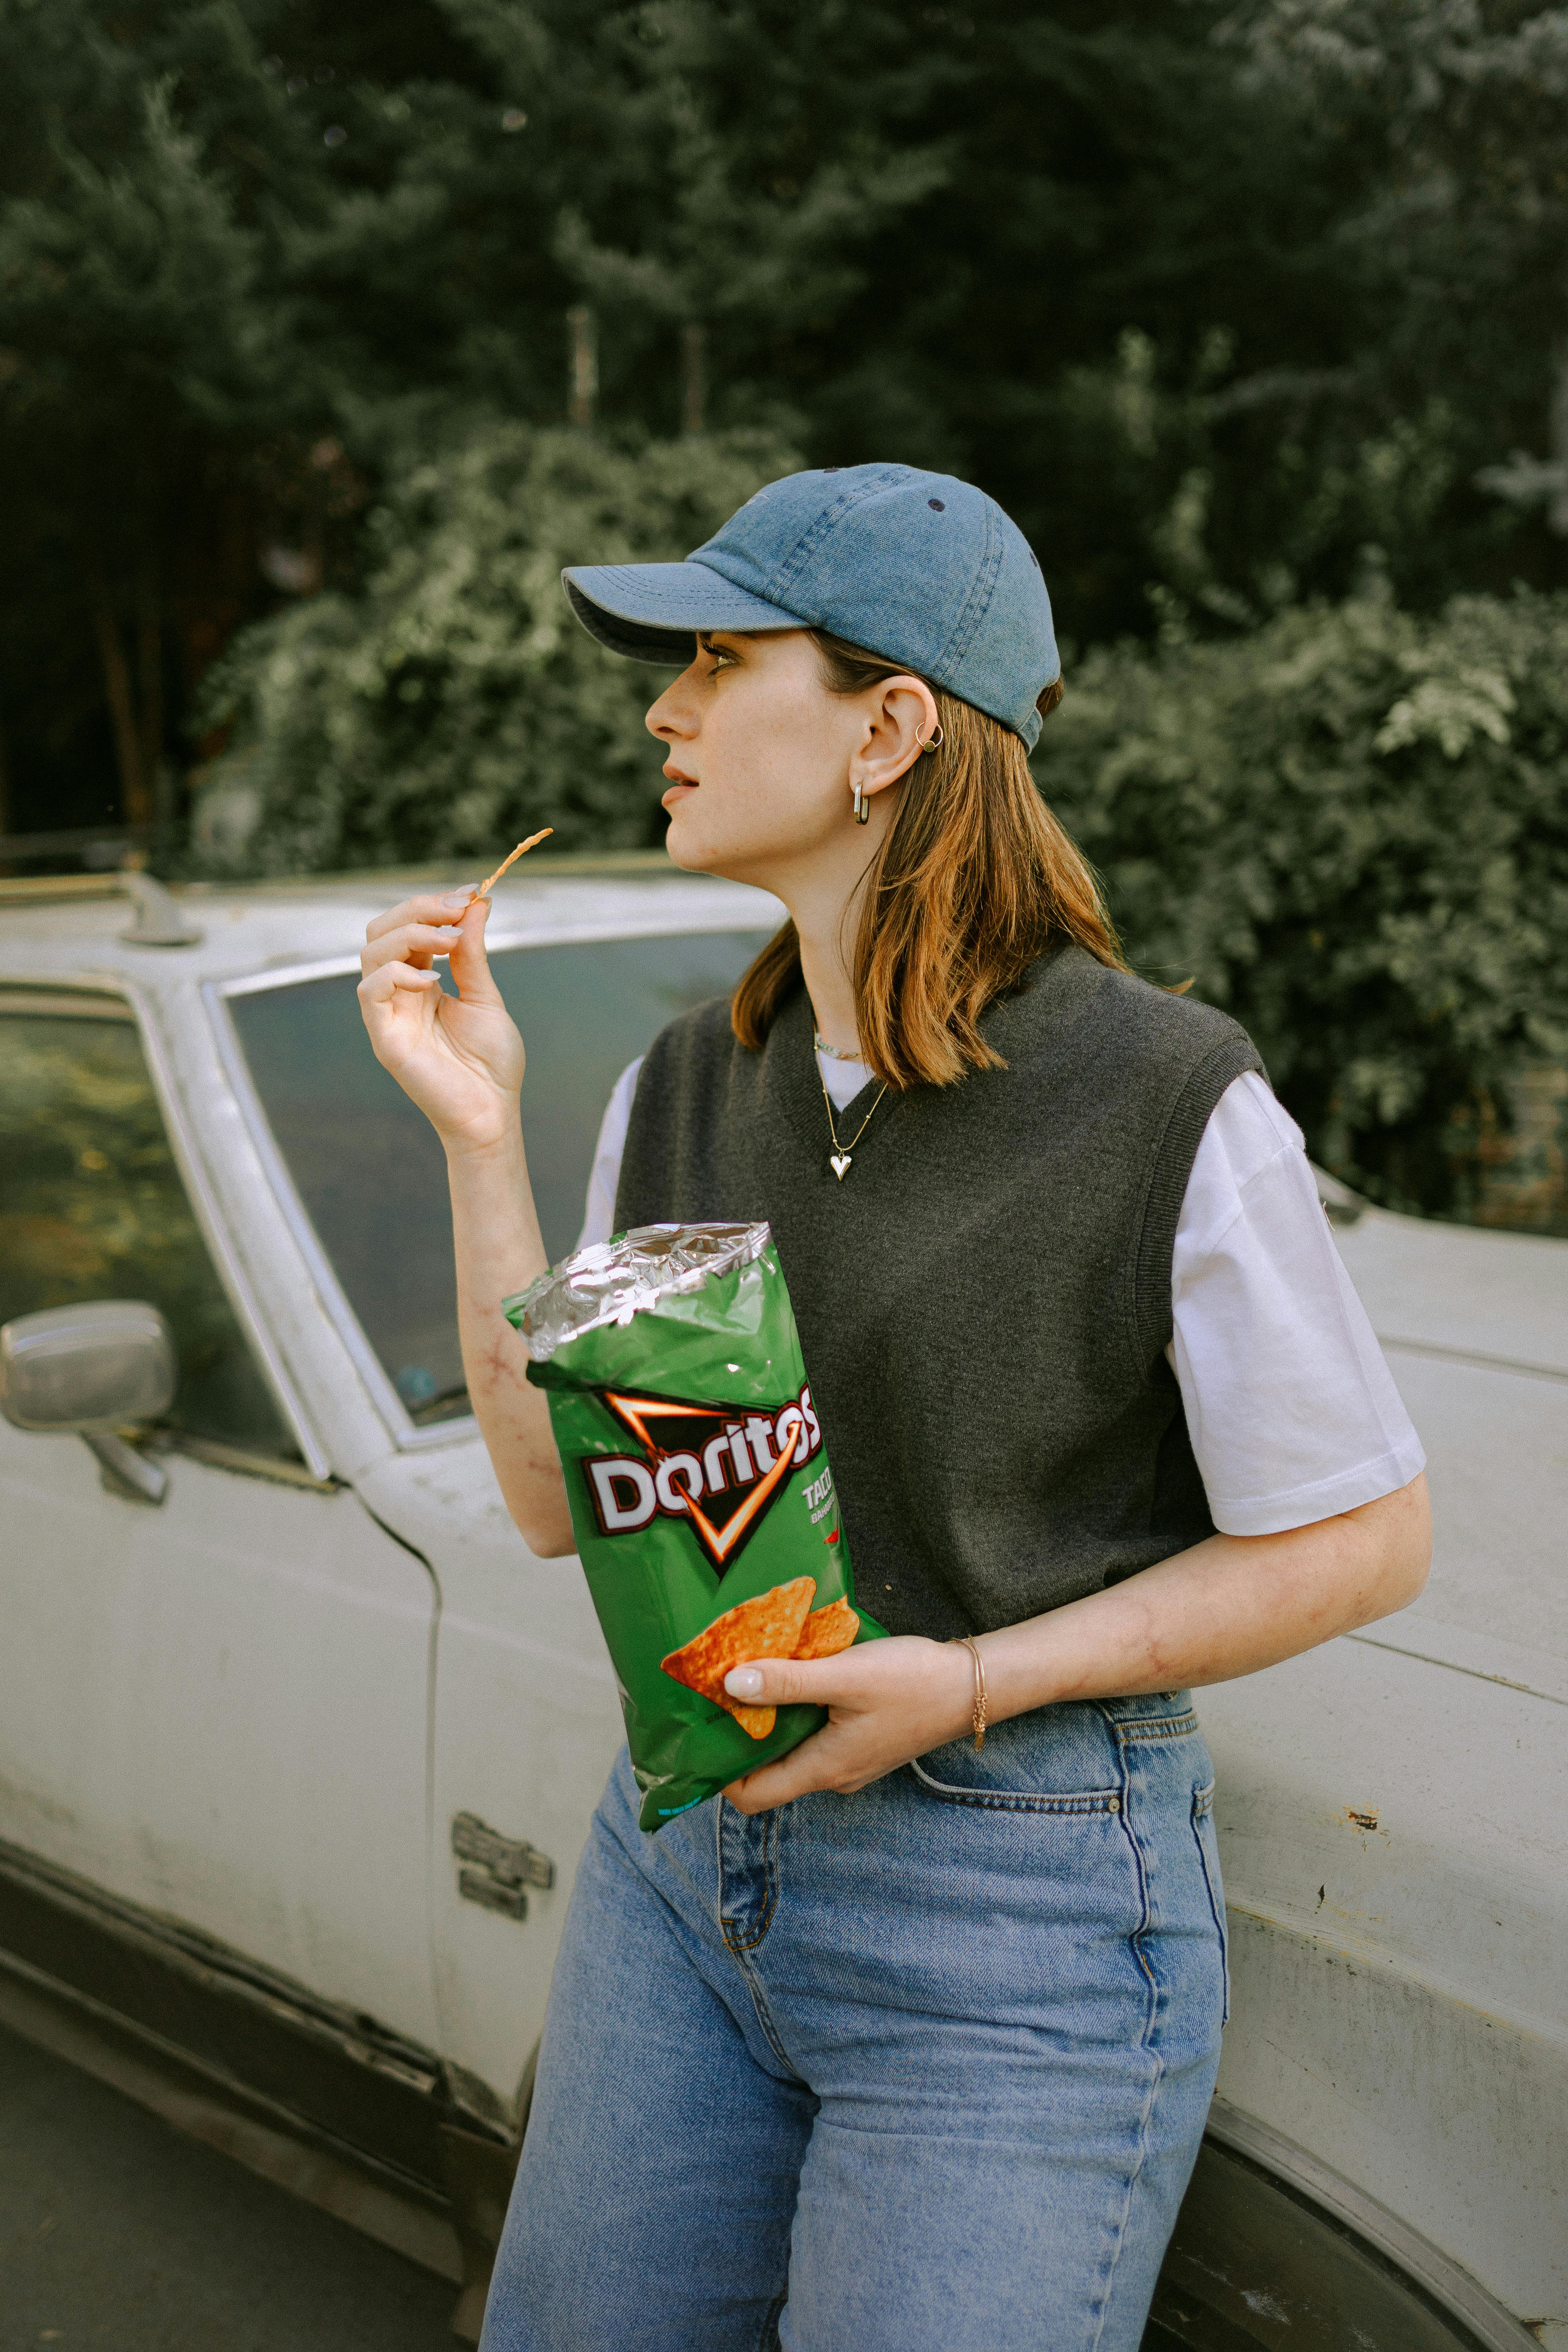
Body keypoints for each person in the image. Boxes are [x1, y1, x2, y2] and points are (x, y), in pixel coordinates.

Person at [357, 463, 1430, 2352]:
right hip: (682, 1879)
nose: (660, 710)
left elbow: (1366, 1537)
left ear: (891, 729)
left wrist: (974, 1680)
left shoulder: (1166, 1098)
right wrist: (477, 1134)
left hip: (1008, 1925)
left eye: (712, 657)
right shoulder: (691, 1078)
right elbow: (551, 1504)